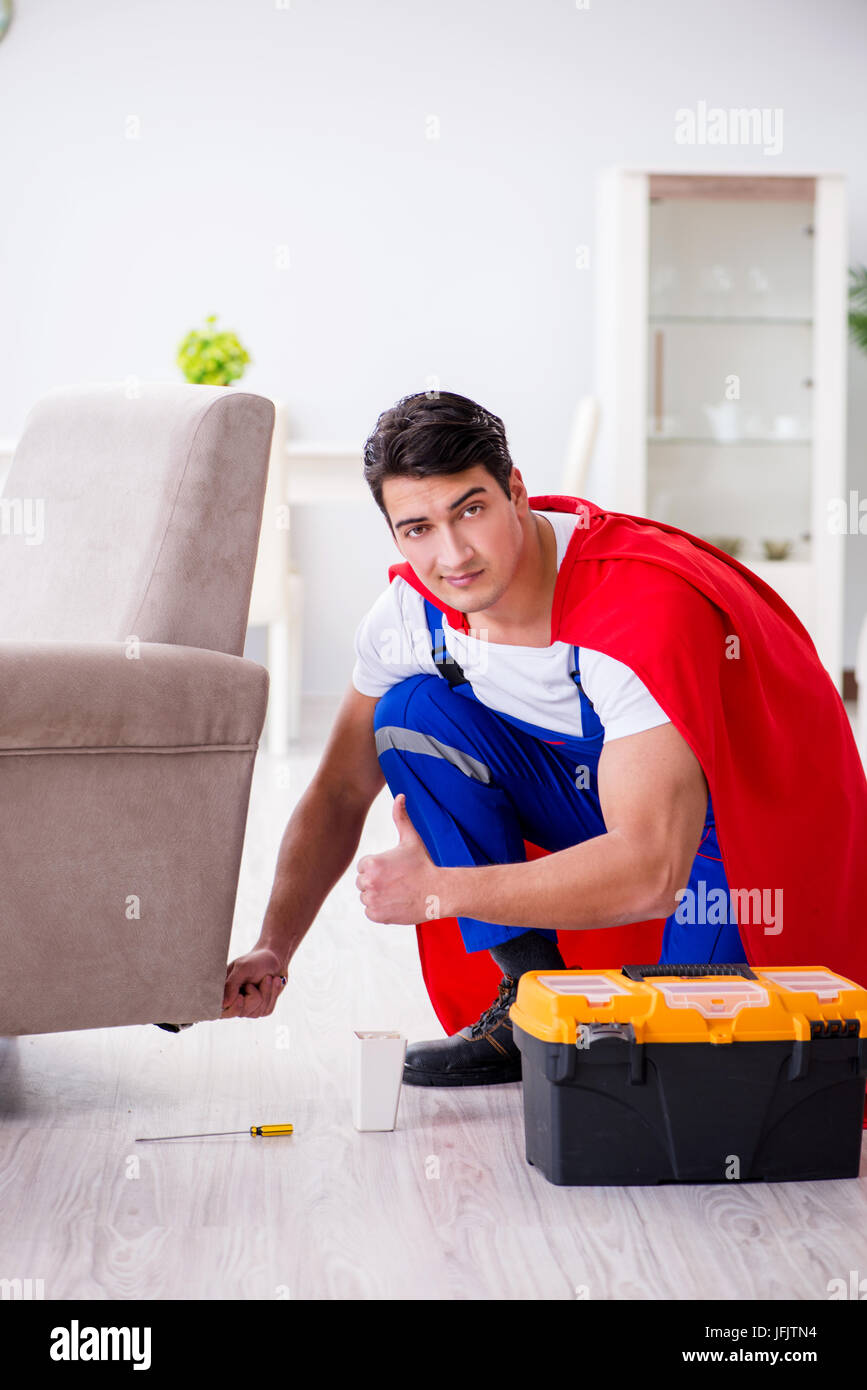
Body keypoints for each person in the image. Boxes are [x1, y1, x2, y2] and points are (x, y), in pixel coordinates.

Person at [222, 390, 867, 1091]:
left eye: (470, 510)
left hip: (731, 830)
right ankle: (529, 1006)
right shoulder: (407, 614)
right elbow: (340, 791)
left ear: (516, 493)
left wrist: (446, 891)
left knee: (687, 1078)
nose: (452, 555)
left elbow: (652, 871)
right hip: (599, 800)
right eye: (417, 529)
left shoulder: (638, 615)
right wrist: (272, 947)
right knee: (408, 711)